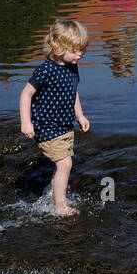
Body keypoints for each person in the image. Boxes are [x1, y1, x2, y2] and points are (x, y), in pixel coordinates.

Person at [19, 19, 90, 216]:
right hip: (46, 126)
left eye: (82, 50)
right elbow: (26, 94)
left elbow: (72, 92)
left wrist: (80, 116)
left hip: (65, 125)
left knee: (63, 163)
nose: (80, 54)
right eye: (76, 50)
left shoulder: (72, 67)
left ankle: (51, 196)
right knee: (65, 163)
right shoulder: (46, 70)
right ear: (59, 47)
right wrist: (26, 122)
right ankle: (60, 206)